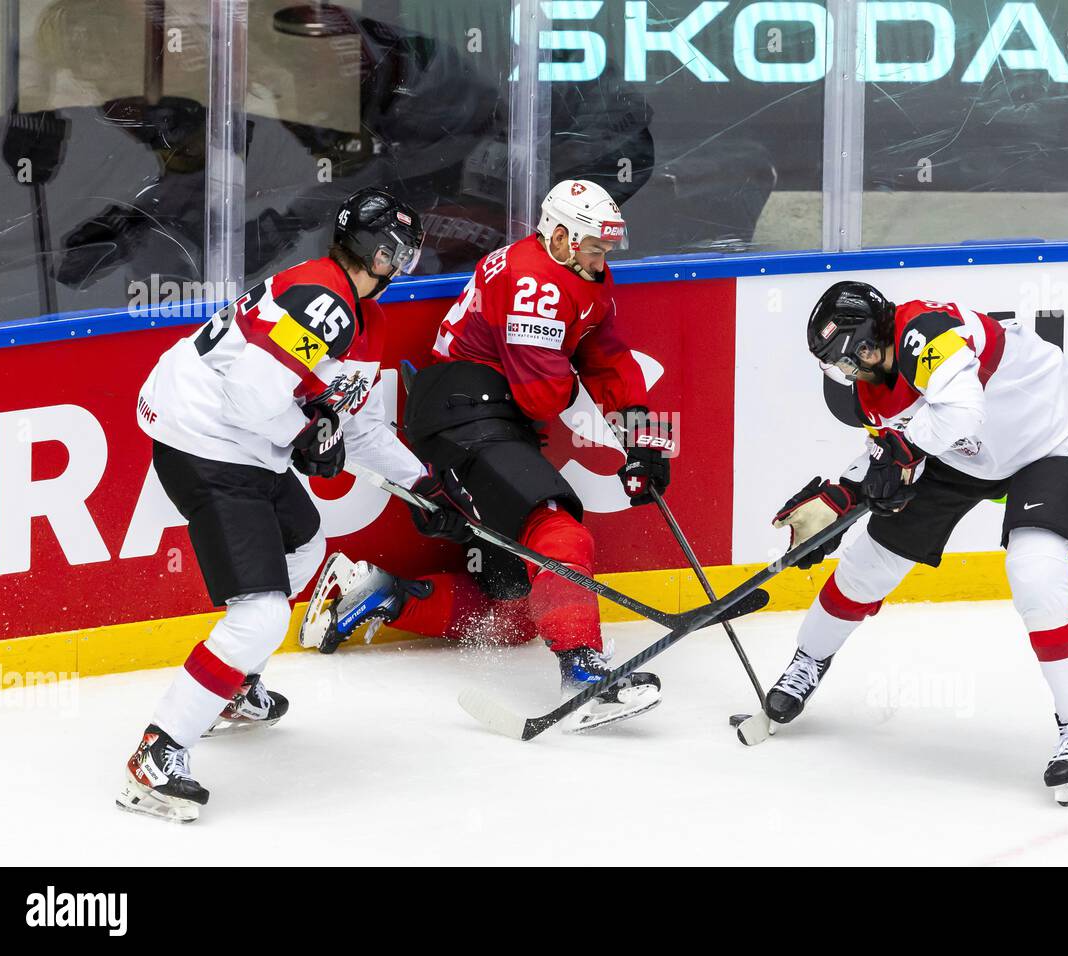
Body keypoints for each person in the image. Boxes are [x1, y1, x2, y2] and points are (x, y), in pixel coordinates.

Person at [118, 187, 457, 822]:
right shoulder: (325, 299)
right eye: (395, 248)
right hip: (206, 441)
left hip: (242, 441)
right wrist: (304, 436)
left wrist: (423, 483)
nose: (403, 259)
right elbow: (254, 395)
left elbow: (353, 423)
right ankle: (155, 755)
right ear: (372, 248)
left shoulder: (361, 316)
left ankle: (232, 685)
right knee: (261, 616)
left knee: (306, 544)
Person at [311, 179, 675, 733]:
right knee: (558, 530)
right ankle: (584, 673)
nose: (604, 260)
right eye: (595, 247)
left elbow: (609, 357)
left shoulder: (580, 275)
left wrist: (644, 439)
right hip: (466, 414)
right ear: (559, 236)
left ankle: (388, 597)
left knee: (513, 606)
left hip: (487, 417)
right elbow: (544, 396)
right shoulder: (534, 284)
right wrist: (610, 423)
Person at [767, 281, 1068, 806]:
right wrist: (839, 498)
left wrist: (895, 455)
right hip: (958, 456)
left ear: (866, 343)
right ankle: (808, 662)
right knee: (868, 564)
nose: (843, 374)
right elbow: (892, 444)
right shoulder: (868, 385)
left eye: (844, 361)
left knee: (1036, 572)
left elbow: (959, 412)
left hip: (1046, 442)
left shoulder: (927, 331)